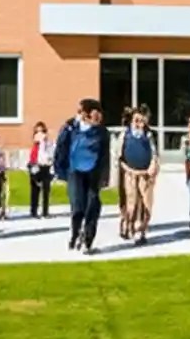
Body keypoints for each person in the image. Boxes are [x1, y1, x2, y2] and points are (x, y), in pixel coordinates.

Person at [54, 98, 112, 254]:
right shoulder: (71, 129)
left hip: (94, 173)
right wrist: (59, 171)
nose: (98, 117)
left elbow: (105, 156)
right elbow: (60, 149)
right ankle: (75, 233)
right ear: (86, 114)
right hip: (75, 172)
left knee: (92, 206)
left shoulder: (102, 133)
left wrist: (105, 178)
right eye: (95, 114)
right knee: (78, 207)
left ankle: (88, 240)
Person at [121, 108, 159, 245]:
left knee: (146, 204)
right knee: (132, 202)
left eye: (142, 120)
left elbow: (155, 154)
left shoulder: (150, 135)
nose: (139, 123)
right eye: (136, 120)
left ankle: (141, 231)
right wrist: (127, 169)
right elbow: (118, 158)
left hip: (145, 175)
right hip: (130, 173)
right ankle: (128, 225)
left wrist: (153, 167)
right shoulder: (125, 135)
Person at [112, 107, 134, 240]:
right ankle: (125, 224)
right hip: (124, 171)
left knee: (132, 200)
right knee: (125, 200)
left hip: (133, 171)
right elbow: (118, 157)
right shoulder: (123, 136)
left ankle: (129, 225)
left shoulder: (136, 135)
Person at [27, 121, 55, 219]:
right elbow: (32, 157)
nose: (40, 134)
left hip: (45, 167)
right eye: (37, 132)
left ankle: (45, 211)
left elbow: (51, 155)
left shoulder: (48, 144)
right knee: (35, 189)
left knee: (46, 190)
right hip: (35, 166)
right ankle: (33, 211)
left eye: (42, 132)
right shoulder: (35, 146)